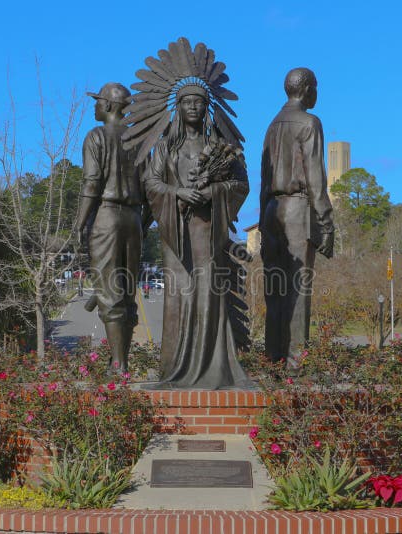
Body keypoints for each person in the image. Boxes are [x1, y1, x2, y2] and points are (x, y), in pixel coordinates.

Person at [125, 38, 252, 389]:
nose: (193, 107)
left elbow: (241, 184)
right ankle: (175, 369)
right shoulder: (166, 146)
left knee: (210, 292)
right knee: (179, 296)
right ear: (177, 107)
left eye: (199, 101)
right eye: (187, 102)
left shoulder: (219, 147)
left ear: (207, 106)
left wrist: (212, 193)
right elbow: (152, 183)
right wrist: (179, 192)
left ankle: (212, 368)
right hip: (176, 233)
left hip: (208, 230)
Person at [260, 67, 335, 371]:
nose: (317, 93)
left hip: (270, 212)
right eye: (315, 87)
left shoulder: (271, 126)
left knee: (275, 291)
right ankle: (295, 366)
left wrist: (265, 220)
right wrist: (326, 222)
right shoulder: (309, 123)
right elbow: (315, 178)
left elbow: (264, 179)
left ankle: (273, 360)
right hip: (296, 210)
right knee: (298, 289)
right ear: (305, 89)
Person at [75, 82, 143, 374]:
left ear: (112, 105)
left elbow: (92, 183)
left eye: (99, 100)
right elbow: (150, 189)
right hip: (134, 220)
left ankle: (118, 364)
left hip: (107, 216)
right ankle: (122, 360)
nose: (95, 106)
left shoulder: (97, 136)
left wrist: (80, 223)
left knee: (109, 291)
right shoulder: (140, 140)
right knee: (127, 291)